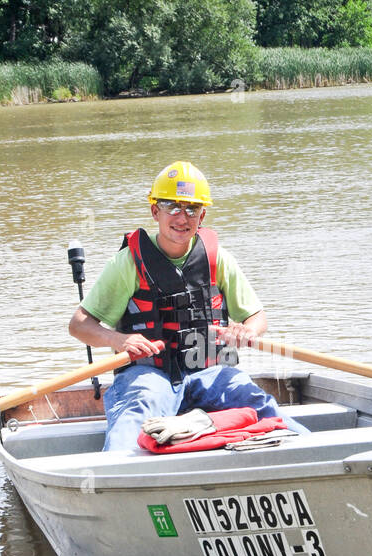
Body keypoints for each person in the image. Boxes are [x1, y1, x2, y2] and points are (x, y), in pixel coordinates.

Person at [69, 162, 307, 452]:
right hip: (149, 375)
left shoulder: (219, 260)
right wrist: (118, 340)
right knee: (139, 403)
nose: (182, 218)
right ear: (155, 211)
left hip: (210, 372)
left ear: (202, 215)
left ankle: (311, 451)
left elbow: (257, 317)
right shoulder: (127, 264)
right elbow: (79, 324)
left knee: (251, 397)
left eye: (192, 209)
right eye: (172, 207)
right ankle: (116, 475)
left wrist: (246, 331)